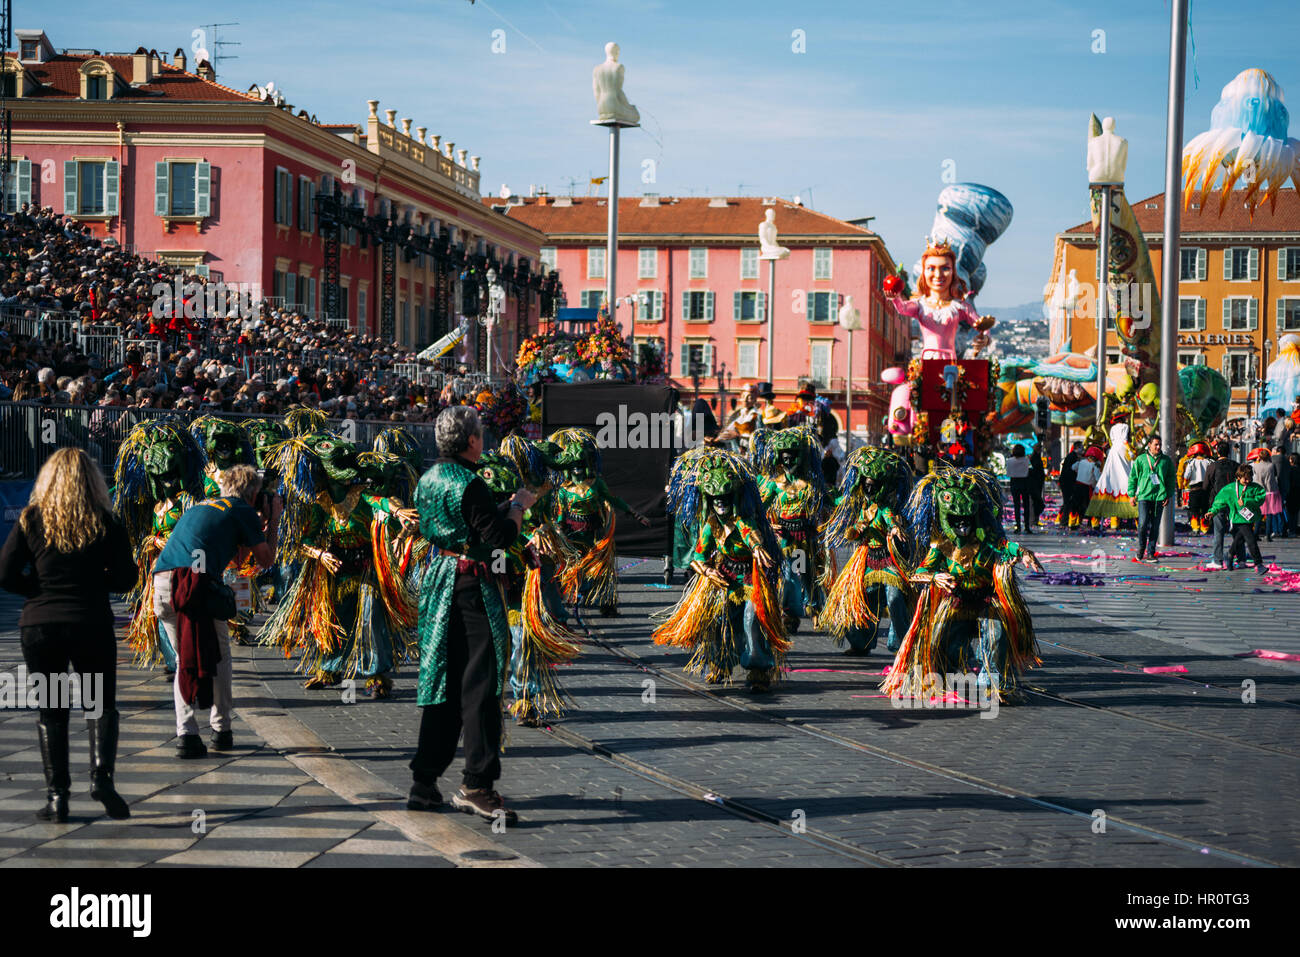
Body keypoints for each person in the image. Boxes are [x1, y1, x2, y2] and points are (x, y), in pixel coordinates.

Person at [408, 406, 537, 823]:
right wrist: (518, 507)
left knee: (443, 679)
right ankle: (477, 785)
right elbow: (498, 539)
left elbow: (460, 526)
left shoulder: (428, 478)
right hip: (471, 586)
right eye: (481, 435)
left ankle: (424, 782)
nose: (484, 441)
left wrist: (496, 509)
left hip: (439, 579)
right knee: (481, 684)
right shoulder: (470, 482)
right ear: (471, 442)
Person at [0, 449, 138, 822]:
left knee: (52, 710)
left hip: (41, 626)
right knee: (100, 704)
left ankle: (57, 797)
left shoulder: (31, 519)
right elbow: (127, 578)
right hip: (90, 623)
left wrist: (37, 588)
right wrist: (95, 582)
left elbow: (5, 573)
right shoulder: (106, 522)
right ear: (93, 482)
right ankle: (101, 777)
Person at [153, 464, 273, 758]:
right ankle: (221, 729)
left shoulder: (201, 506)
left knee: (183, 656)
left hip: (163, 582)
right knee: (220, 654)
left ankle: (187, 734)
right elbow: (266, 560)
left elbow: (236, 558)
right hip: (195, 586)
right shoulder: (242, 510)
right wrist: (275, 520)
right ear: (254, 493)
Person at [1205, 465, 1267, 575]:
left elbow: (1261, 498)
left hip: (1250, 518)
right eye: (1245, 479)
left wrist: (1247, 501)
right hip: (1237, 518)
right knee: (1251, 540)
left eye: (1250, 478)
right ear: (1238, 477)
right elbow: (1219, 501)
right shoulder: (1230, 489)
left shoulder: (1255, 488)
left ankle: (1229, 554)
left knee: (1239, 539)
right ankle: (1259, 564)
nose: (1248, 481)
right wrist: (1212, 511)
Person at [1128, 434, 1175, 562]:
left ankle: (1151, 552)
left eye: (1160, 445)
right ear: (1149, 445)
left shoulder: (1166, 461)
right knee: (1142, 524)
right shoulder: (1141, 459)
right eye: (1156, 444)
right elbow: (1133, 477)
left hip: (1160, 497)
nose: (1158, 447)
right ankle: (1141, 547)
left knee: (1155, 525)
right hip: (1144, 496)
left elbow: (1171, 478)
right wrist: (1132, 494)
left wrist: (1168, 494)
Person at [1207, 441, 1239, 568]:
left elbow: (1206, 485)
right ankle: (1241, 559)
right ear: (1229, 452)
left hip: (1218, 502)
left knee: (1218, 531)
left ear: (1217, 452)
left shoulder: (1213, 466)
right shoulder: (1236, 465)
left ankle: (1217, 560)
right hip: (1234, 502)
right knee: (1237, 530)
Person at [1249, 447, 1283, 542]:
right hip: (1271, 491)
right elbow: (1275, 475)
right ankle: (1268, 535)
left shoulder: (1256, 466)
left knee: (1259, 514)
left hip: (1260, 491)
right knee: (1269, 514)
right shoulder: (1271, 466)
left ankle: (1255, 533)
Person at [1181, 442, 1213, 534]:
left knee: (1194, 510)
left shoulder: (1191, 463)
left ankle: (1195, 528)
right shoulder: (1208, 462)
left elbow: (1186, 476)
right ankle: (1205, 528)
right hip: (1206, 490)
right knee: (1205, 510)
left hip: (1194, 490)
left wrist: (1184, 483)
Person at [1070, 446, 1103, 531]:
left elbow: (1073, 467)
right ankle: (1095, 525)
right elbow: (1098, 478)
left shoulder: (1081, 462)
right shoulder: (1094, 465)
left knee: (1075, 506)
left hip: (1077, 486)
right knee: (1091, 507)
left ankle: (1072, 523)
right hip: (1087, 489)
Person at [1004, 444, 1031, 533]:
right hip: (1025, 482)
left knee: (1016, 505)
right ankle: (1027, 526)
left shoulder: (1009, 461)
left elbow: (1008, 473)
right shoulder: (1026, 460)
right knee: (1026, 505)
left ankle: (1018, 526)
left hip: (1014, 482)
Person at [1057, 441, 1082, 527]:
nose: (1082, 449)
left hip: (1066, 482)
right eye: (1081, 447)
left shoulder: (1071, 456)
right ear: (1077, 447)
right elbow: (1072, 469)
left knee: (1067, 502)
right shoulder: (1073, 457)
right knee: (1068, 502)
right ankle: (1064, 521)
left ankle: (1063, 520)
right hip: (1068, 483)